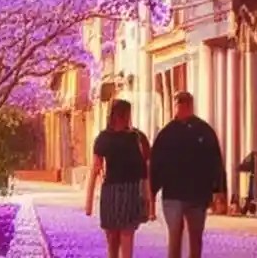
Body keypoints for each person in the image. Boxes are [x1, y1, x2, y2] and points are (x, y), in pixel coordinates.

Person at [150, 91, 226, 258]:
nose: (180, 108)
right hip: (178, 194)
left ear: (189, 105)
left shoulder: (202, 131)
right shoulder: (168, 133)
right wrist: (152, 193)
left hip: (195, 194)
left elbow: (215, 161)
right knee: (179, 236)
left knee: (193, 236)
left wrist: (218, 191)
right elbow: (156, 165)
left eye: (183, 104)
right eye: (179, 104)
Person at [85, 99, 153, 258]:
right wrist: (88, 202)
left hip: (122, 190)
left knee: (121, 236)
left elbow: (146, 171)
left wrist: (149, 198)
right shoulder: (111, 138)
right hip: (118, 191)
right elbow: (95, 169)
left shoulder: (135, 137)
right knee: (115, 237)